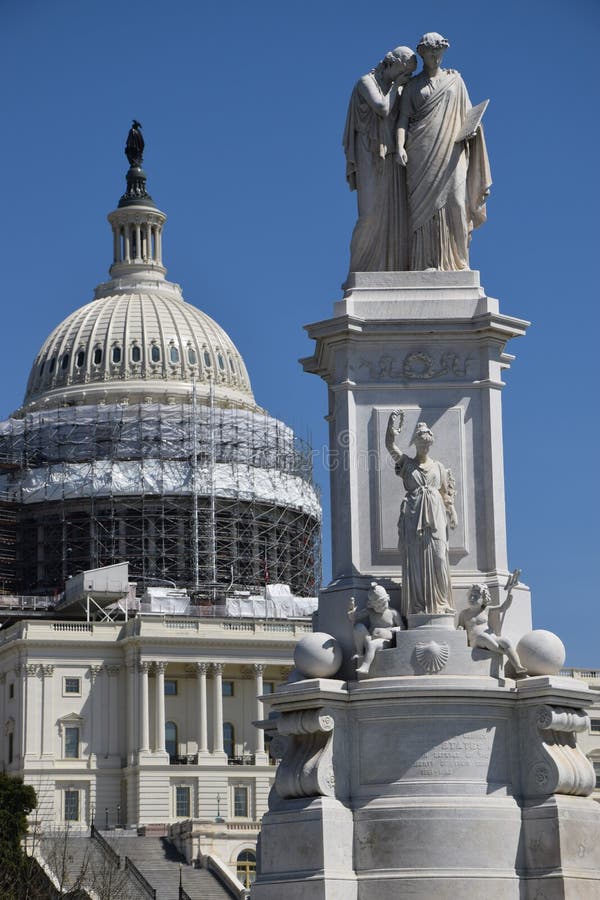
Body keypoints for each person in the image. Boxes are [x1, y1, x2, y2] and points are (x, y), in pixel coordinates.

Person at [396, 33, 492, 271]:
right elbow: (402, 119)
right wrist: (399, 146)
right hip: (420, 151)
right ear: (422, 54)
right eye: (431, 53)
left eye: (439, 53)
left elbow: (470, 114)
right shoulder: (412, 86)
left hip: (453, 149)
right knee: (422, 211)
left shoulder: (455, 81)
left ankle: (458, 262)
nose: (435, 57)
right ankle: (425, 263)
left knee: (457, 203)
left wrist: (474, 130)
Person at [343, 46, 417, 272]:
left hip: (391, 155)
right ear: (392, 64)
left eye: (409, 74)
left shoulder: (399, 89)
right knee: (369, 215)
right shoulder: (366, 82)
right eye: (404, 72)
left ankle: (390, 267)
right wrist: (397, 86)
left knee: (395, 214)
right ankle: (359, 269)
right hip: (369, 153)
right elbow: (382, 108)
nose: (406, 78)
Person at [385, 411, 457, 619]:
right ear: (416, 444)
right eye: (421, 444)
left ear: (431, 444)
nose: (425, 447)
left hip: (435, 514)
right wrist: (392, 430)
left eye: (427, 444)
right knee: (415, 560)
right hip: (414, 514)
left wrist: (451, 512)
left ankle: (441, 603)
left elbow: (445, 494)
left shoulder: (439, 467)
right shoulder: (407, 464)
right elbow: (390, 446)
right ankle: (419, 606)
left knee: (439, 557)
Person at [458, 582, 527, 675]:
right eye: (470, 596)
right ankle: (504, 652)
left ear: (483, 599)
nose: (472, 598)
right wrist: (459, 628)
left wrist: (510, 593)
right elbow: (461, 626)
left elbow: (502, 608)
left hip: (491, 636)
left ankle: (518, 666)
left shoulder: (486, 610)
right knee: (484, 637)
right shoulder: (464, 613)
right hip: (475, 640)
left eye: (475, 596)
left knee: (505, 641)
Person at [348, 582, 402, 675]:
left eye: (383, 604)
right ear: (371, 604)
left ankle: (365, 666)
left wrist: (394, 629)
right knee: (358, 627)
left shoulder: (393, 613)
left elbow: (402, 627)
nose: (380, 607)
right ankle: (360, 652)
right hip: (369, 638)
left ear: (388, 599)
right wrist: (351, 612)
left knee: (372, 645)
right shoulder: (370, 611)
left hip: (384, 642)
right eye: (377, 606)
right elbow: (355, 617)